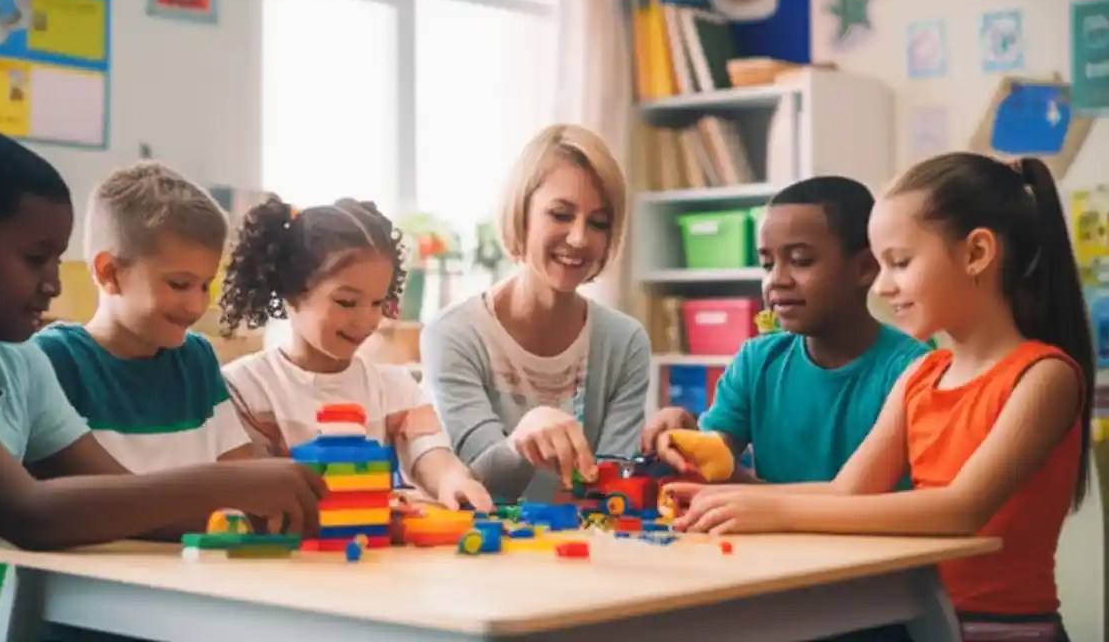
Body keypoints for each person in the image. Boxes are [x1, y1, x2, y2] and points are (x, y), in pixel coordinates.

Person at [0, 129, 324, 641]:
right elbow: (28, 513)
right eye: (34, 259)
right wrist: (233, 484)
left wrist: (250, 516)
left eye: (56, 259)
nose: (54, 283)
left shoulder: (17, 361)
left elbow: (120, 500)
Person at [670, 154, 1091, 641]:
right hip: (923, 622)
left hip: (1007, 631)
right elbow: (846, 492)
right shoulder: (921, 376)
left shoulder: (1044, 378)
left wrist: (773, 511)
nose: (884, 286)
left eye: (901, 263)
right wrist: (724, 499)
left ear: (976, 253)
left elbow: (961, 510)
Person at [218, 194, 493, 511]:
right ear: (291, 292)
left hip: (371, 540)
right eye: (346, 302)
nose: (366, 320)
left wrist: (452, 480)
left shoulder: (395, 389)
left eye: (378, 302)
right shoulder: (246, 388)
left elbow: (430, 452)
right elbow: (250, 488)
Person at [420, 124, 650, 502]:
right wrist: (521, 441)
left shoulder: (625, 343)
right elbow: (474, 484)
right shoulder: (453, 335)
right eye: (560, 214)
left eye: (598, 223)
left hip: (582, 538)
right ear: (521, 214)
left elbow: (613, 486)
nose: (579, 238)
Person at [646, 177, 928, 484]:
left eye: (800, 261)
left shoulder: (913, 370)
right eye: (767, 264)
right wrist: (685, 437)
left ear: (864, 269)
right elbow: (715, 453)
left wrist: (745, 487)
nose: (776, 280)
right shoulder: (756, 361)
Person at [34, 162, 252, 471]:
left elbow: (240, 474)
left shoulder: (196, 358)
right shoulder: (53, 361)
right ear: (109, 272)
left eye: (205, 285)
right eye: (179, 284)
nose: (196, 306)